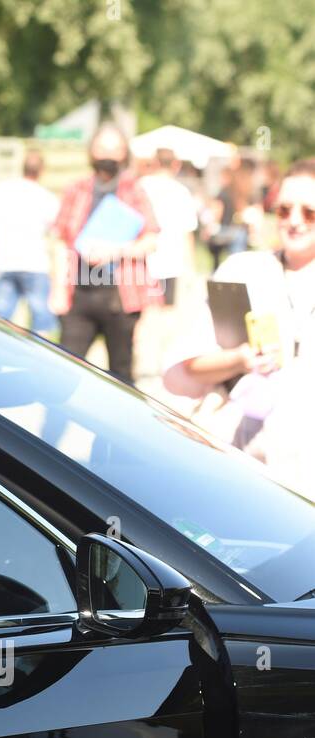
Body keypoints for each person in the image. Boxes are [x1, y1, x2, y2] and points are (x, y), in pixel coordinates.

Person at [163, 158, 315, 495]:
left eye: (309, 213)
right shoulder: (245, 271)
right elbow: (185, 368)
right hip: (241, 472)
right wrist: (243, 359)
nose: (294, 221)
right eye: (284, 209)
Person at [51, 123, 161, 385]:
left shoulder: (134, 191)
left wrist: (117, 251)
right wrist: (56, 288)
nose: (108, 154)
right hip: (80, 293)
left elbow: (152, 239)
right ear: (91, 151)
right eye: (102, 147)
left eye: (115, 148)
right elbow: (60, 239)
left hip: (119, 297)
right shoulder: (76, 189)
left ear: (124, 153)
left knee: (121, 376)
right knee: (62, 371)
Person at [0, 150, 61, 334]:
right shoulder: (46, 197)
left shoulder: (0, 191)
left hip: (5, 262)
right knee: (41, 324)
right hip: (35, 265)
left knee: (0, 323)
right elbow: (57, 236)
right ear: (42, 171)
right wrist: (57, 272)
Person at [138, 148, 199, 307]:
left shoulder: (139, 187)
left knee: (144, 317)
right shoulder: (182, 192)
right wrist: (191, 270)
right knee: (167, 315)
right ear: (176, 165)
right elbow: (188, 234)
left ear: (154, 163)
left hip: (143, 262)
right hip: (172, 263)